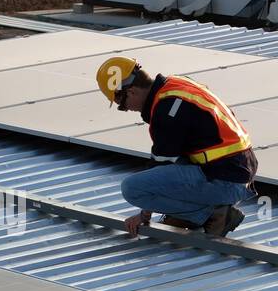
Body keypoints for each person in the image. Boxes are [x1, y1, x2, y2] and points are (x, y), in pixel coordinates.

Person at [95, 56, 257, 238]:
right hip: (236, 172)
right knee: (172, 168)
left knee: (132, 189)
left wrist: (143, 215)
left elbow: (160, 169)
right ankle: (193, 215)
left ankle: (211, 215)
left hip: (225, 182)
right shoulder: (176, 84)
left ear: (131, 92)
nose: (125, 109)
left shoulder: (167, 110)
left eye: (121, 105)